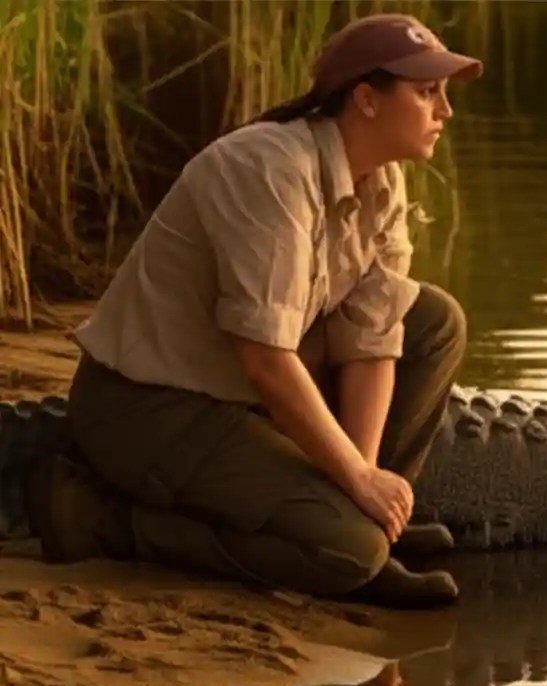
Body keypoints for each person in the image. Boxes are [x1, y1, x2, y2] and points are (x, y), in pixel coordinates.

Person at [25, 13, 482, 608]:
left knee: (434, 323)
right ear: (367, 100)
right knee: (343, 554)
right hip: (151, 409)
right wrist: (356, 486)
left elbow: (372, 339)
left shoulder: (383, 182)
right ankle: (94, 518)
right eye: (427, 93)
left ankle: (366, 535)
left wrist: (361, 484)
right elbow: (265, 359)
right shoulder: (268, 169)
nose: (445, 110)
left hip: (233, 394)